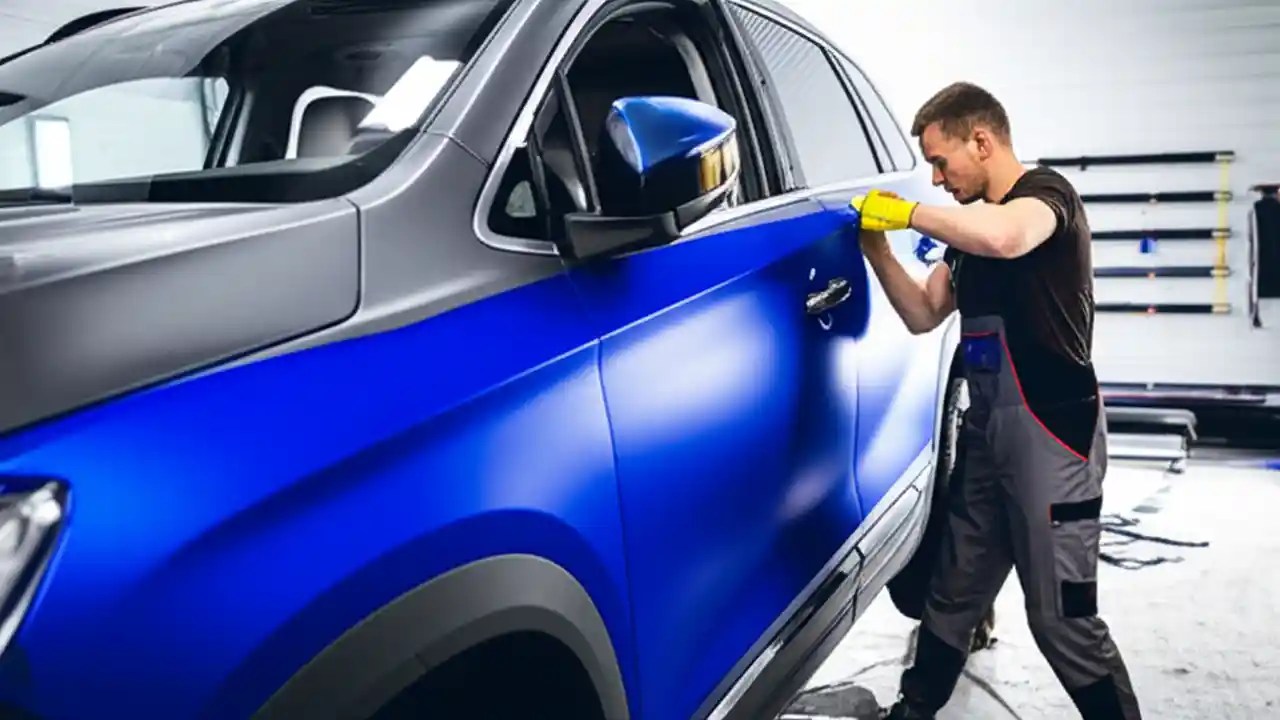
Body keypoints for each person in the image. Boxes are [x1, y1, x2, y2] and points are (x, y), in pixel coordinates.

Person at [848, 82, 1143, 720]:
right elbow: (925, 313)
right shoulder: (966, 240)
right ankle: (914, 710)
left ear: (981, 140)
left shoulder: (1046, 198)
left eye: (940, 161)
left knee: (1061, 619)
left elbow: (1008, 238)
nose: (936, 177)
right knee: (953, 594)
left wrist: (909, 213)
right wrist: (875, 249)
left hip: (1051, 438)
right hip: (986, 433)